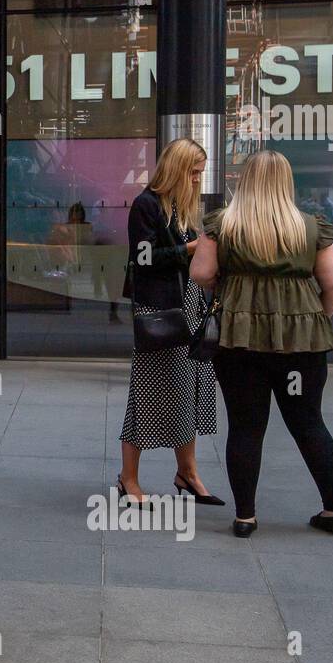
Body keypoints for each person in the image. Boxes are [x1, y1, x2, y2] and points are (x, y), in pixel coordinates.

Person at [191, 149, 333, 538]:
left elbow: (201, 273)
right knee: (309, 423)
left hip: (239, 341)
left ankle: (246, 516)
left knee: (245, 427)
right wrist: (314, 320)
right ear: (286, 183)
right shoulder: (310, 227)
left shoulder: (223, 225)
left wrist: (228, 289)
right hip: (301, 345)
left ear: (245, 182)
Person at [117, 138, 223, 506]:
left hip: (189, 303)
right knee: (148, 392)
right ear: (178, 169)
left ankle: (188, 472)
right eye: (194, 172)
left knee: (189, 390)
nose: (197, 179)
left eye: (200, 172)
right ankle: (129, 478)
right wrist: (189, 249)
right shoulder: (147, 205)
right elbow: (143, 258)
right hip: (159, 309)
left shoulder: (183, 208)